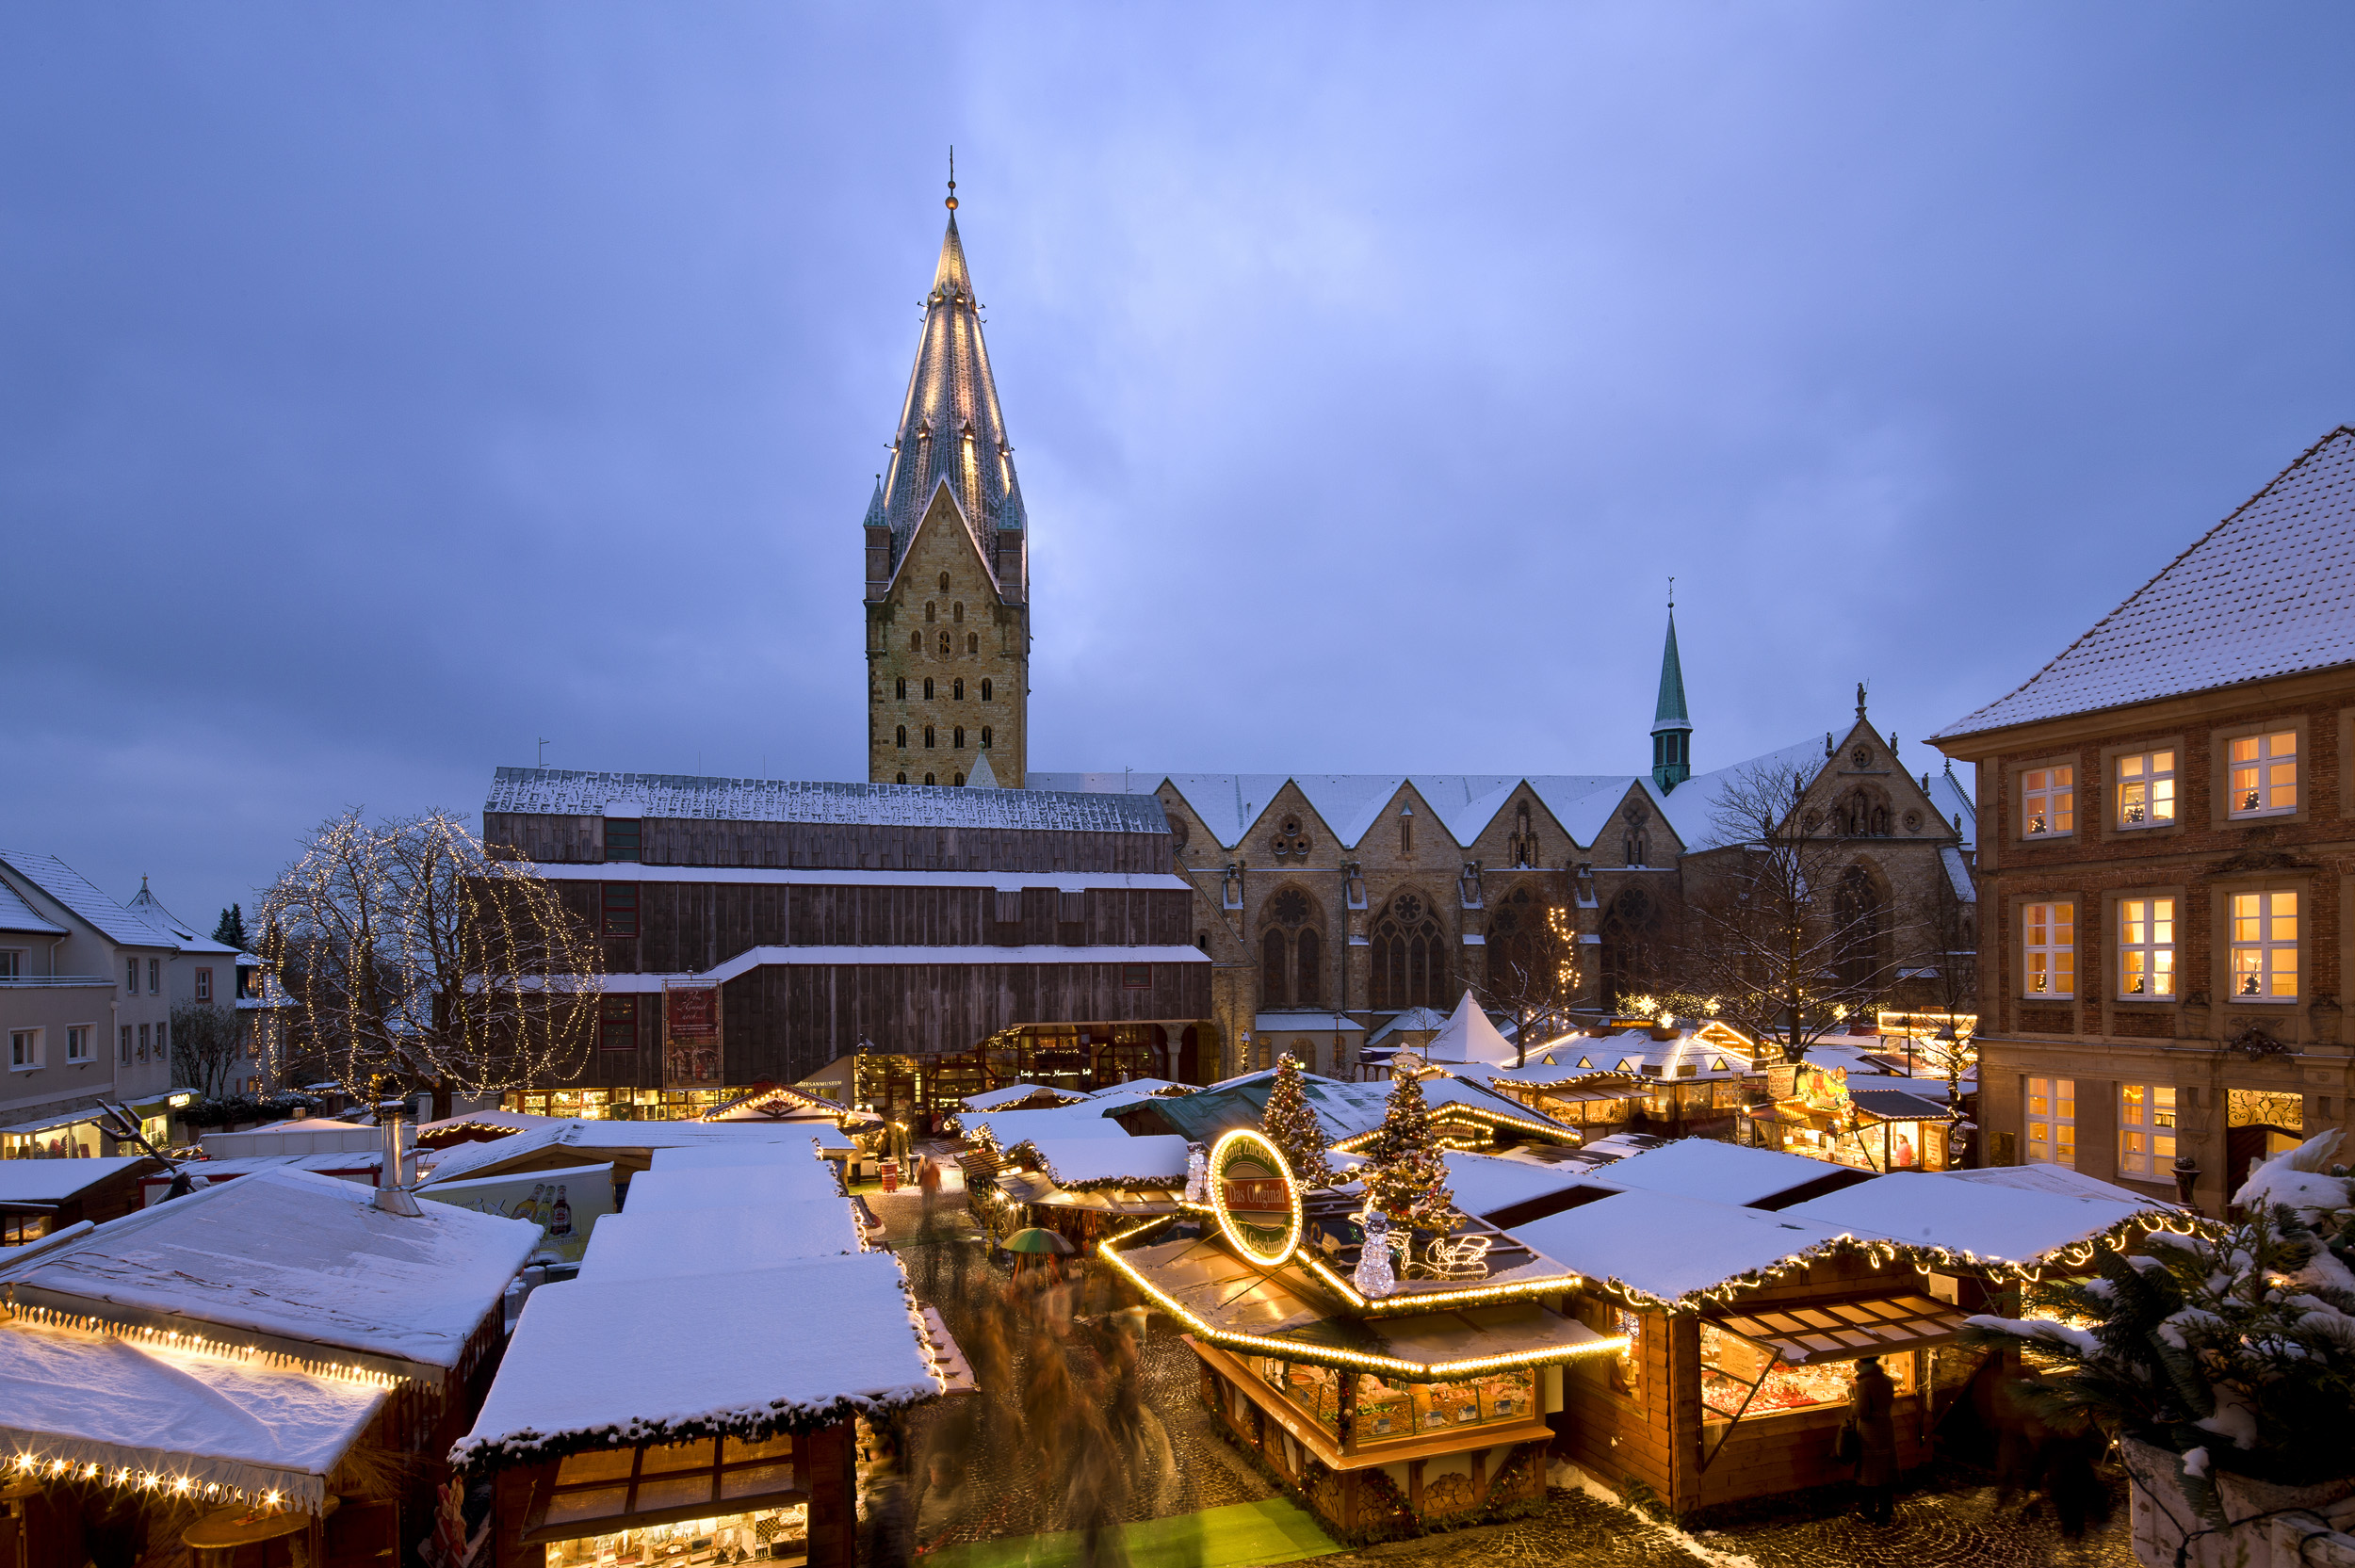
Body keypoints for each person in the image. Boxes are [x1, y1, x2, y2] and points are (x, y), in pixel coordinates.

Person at [1850, 1356, 1899, 1523]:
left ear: (1862, 1363)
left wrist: (1852, 1402)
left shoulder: (1865, 1383)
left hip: (1870, 1430)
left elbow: (1862, 1411)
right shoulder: (1886, 1379)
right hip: (1886, 1427)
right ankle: (1886, 1508)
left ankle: (1867, 1510)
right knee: (1885, 1470)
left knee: (1869, 1472)